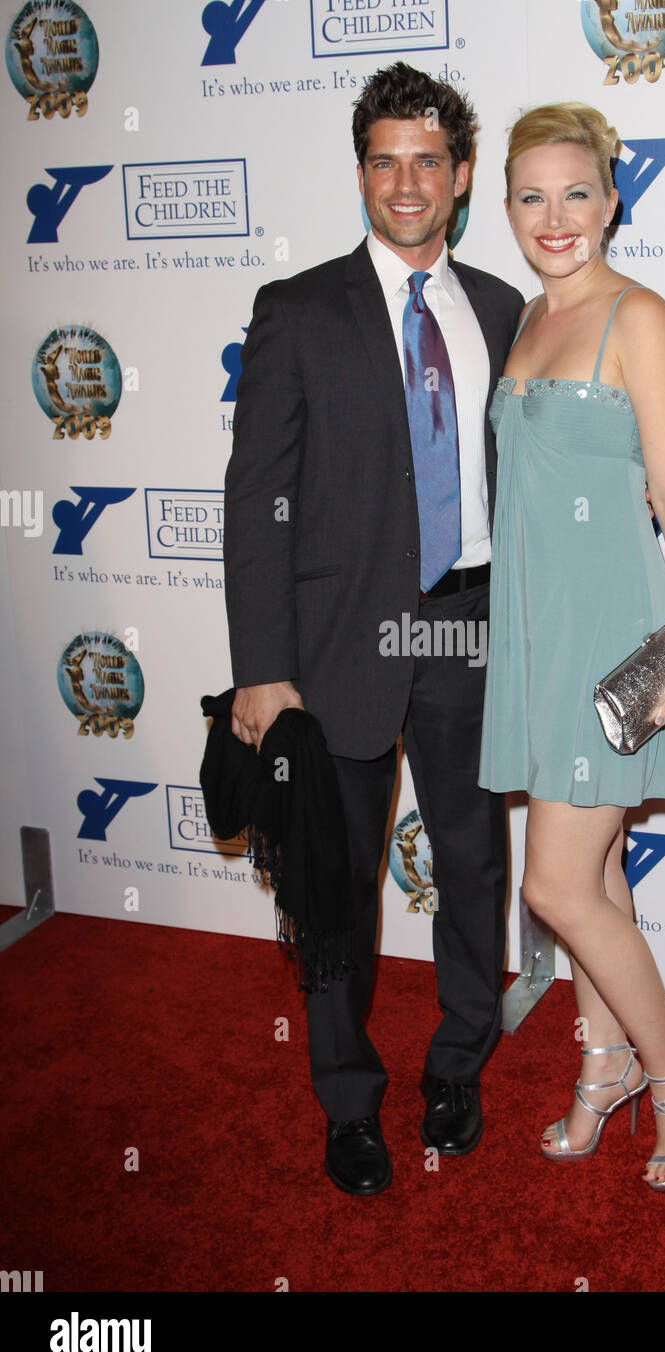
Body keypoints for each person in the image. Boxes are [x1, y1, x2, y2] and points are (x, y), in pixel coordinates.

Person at [222, 62, 524, 1196]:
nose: (406, 182)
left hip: (467, 628)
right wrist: (263, 670)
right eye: (384, 159)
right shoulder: (296, 310)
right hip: (339, 640)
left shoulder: (499, 308)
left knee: (471, 860)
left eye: (427, 162)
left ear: (457, 178)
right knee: (334, 885)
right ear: (361, 171)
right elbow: (256, 499)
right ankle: (348, 1099)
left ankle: (458, 1063)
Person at [478, 103, 665, 1191]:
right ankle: (602, 1063)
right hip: (533, 639)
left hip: (607, 639)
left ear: (611, 199)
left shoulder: (637, 317)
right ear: (504, 209)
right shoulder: (526, 323)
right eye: (530, 195)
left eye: (574, 191)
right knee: (595, 877)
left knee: (553, 888)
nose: (553, 216)